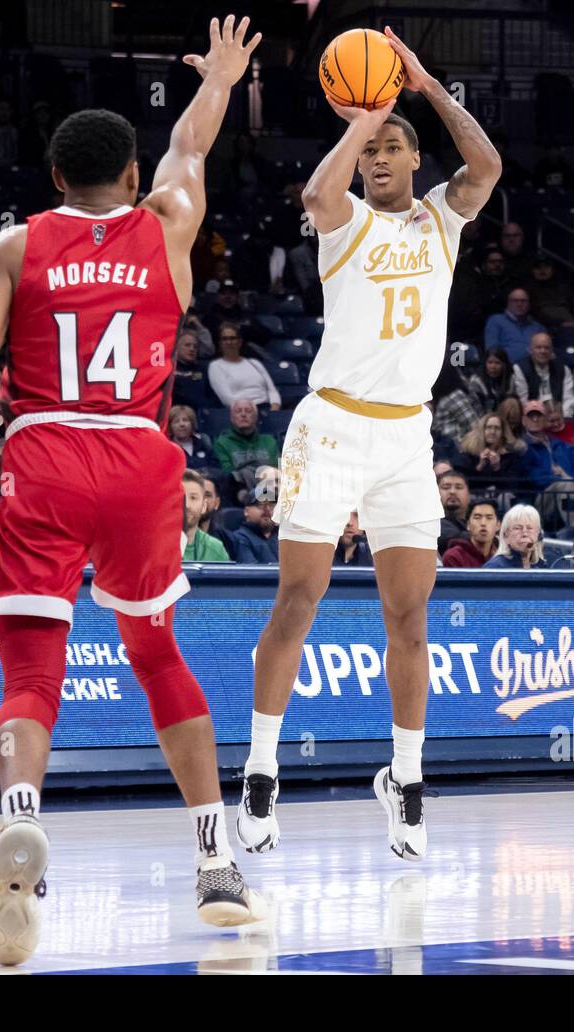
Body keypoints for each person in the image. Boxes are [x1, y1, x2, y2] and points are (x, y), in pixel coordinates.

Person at [0, 16, 269, 963]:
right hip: (136, 456)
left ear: (55, 180)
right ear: (130, 179)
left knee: (32, 672)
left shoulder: (16, 245)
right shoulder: (167, 220)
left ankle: (21, 826)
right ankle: (215, 863)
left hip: (44, 453)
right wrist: (220, 77)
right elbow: (193, 143)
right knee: (158, 655)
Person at [238, 25, 501, 862]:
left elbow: (487, 168)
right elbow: (314, 196)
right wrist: (358, 119)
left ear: (413, 159)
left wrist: (422, 86)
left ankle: (408, 781)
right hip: (332, 425)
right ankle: (261, 769)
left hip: (405, 437)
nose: (380, 158)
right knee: (299, 599)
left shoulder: (441, 221)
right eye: (370, 150)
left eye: (393, 147)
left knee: (409, 613)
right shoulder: (343, 216)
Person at [206, 323, 280, 409]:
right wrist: (250, 410)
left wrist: (275, 407)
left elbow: (272, 390)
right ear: (220, 343)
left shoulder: (255, 363)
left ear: (240, 342)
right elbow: (227, 399)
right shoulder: (216, 366)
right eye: (224, 339)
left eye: (232, 338)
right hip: (243, 412)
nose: (229, 342)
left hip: (267, 409)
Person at [514, 332, 574, 417]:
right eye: (538, 347)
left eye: (546, 348)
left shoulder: (563, 369)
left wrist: (562, 418)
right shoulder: (520, 369)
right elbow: (523, 401)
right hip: (533, 418)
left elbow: (569, 399)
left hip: (560, 418)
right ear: (530, 350)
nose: (543, 351)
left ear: (552, 350)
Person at [483, 287, 545, 364]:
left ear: (529, 304)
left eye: (523, 301)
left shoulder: (537, 327)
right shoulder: (496, 321)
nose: (519, 304)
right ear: (508, 303)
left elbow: (548, 351)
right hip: (507, 369)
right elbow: (492, 351)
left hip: (535, 370)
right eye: (515, 301)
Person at [182, 469, 230, 561]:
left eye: (193, 498)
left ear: (204, 505)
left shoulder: (216, 548)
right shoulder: (154, 545)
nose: (187, 505)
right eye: (182, 497)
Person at [441, 498, 500, 567]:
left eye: (489, 518)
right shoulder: (453, 556)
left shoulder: (502, 557)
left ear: (498, 525)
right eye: (477, 517)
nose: (483, 523)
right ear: (468, 525)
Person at [484, 503, 544, 569]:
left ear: (538, 534)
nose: (525, 534)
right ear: (506, 536)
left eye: (529, 528)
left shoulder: (542, 566)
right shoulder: (495, 567)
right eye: (517, 528)